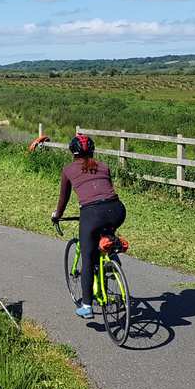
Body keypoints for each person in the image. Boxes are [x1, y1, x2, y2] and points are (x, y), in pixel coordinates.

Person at [52, 134, 126, 319]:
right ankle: (111, 255)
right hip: (117, 210)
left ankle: (86, 305)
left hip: (92, 214)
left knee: (87, 259)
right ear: (92, 150)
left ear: (72, 152)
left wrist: (57, 215)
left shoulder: (68, 170)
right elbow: (104, 189)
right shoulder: (104, 166)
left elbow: (64, 199)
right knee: (105, 233)